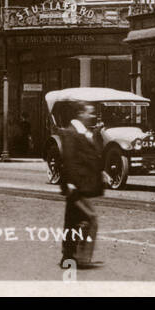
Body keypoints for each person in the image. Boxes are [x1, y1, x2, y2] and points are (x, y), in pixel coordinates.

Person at [57, 101, 104, 270]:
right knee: (91, 218)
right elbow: (69, 159)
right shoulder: (71, 132)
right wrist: (70, 182)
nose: (92, 115)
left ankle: (69, 255)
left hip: (80, 184)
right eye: (89, 112)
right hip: (76, 185)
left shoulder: (83, 132)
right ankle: (79, 256)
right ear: (80, 113)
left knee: (73, 220)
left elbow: (93, 155)